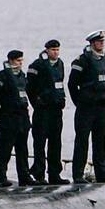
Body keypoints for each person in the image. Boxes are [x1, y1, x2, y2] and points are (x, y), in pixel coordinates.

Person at [69, 31, 105, 184]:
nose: (101, 43)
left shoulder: (104, 59)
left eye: (102, 41)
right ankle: (78, 174)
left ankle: (101, 173)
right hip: (86, 107)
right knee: (82, 141)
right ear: (92, 43)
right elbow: (72, 84)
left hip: (101, 107)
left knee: (100, 140)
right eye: (99, 41)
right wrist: (79, 102)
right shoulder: (82, 61)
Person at [27, 39, 68, 184]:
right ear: (47, 50)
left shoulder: (60, 64)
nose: (56, 52)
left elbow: (60, 83)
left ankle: (54, 174)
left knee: (55, 142)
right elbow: (29, 87)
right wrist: (37, 103)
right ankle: (39, 173)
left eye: (57, 50)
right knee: (40, 142)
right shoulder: (37, 65)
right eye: (53, 50)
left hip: (56, 110)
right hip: (42, 110)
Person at [0, 50, 34, 187]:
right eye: (18, 61)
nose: (20, 63)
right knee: (5, 149)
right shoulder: (1, 77)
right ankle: (1, 176)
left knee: (22, 149)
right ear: (10, 60)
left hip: (22, 117)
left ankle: (24, 176)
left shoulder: (22, 76)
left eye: (21, 61)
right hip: (8, 117)